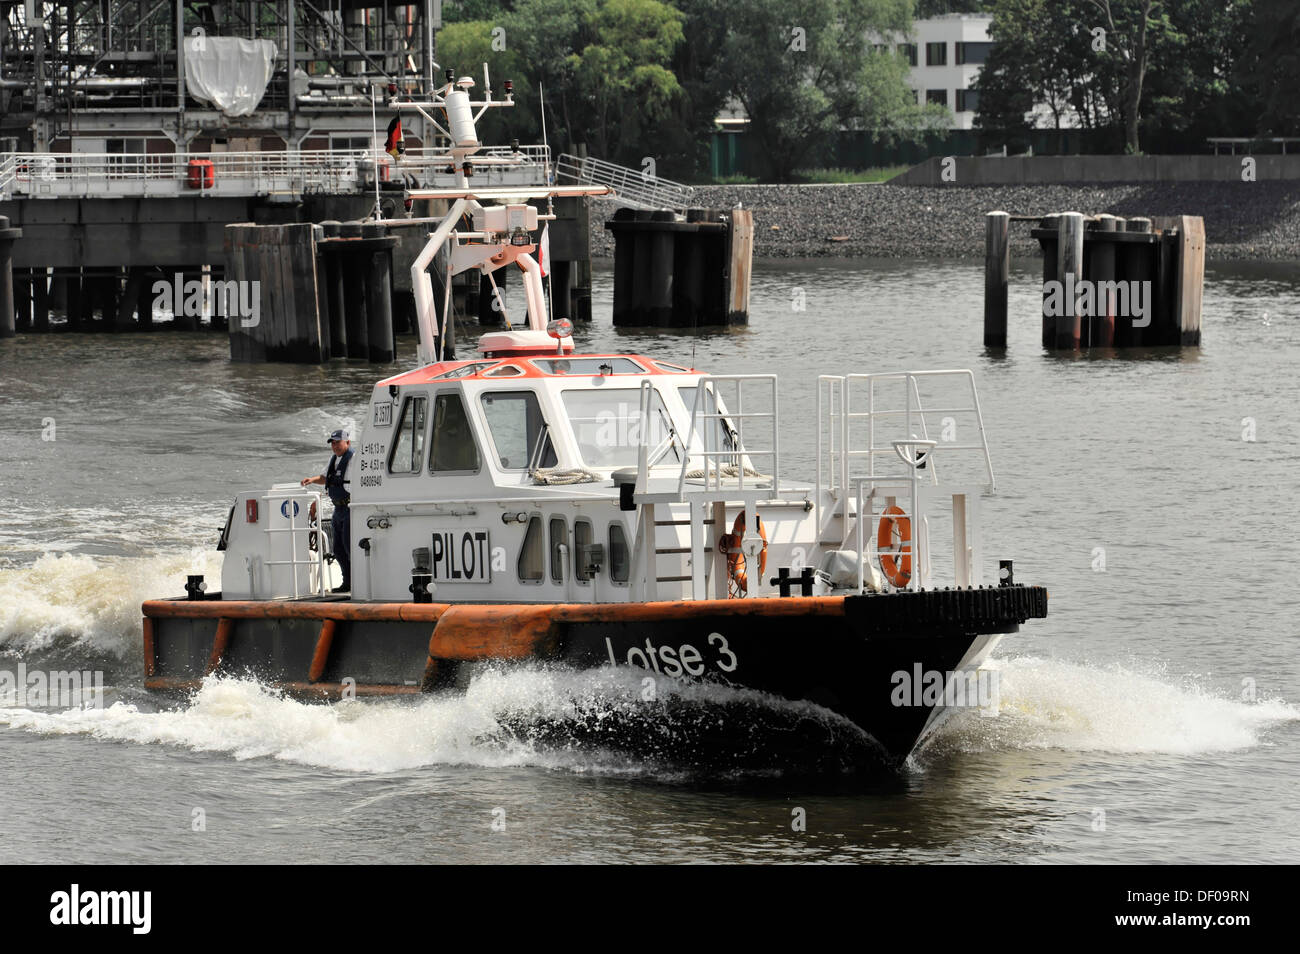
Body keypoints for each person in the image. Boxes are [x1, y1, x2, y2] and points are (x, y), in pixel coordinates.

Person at [302, 429, 353, 592]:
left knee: (348, 546)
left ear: (347, 442)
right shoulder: (334, 459)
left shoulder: (354, 459)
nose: (335, 446)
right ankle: (347, 582)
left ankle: (357, 582)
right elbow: (325, 478)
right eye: (332, 443)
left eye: (338, 442)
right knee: (337, 548)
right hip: (337, 509)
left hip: (350, 507)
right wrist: (312, 480)